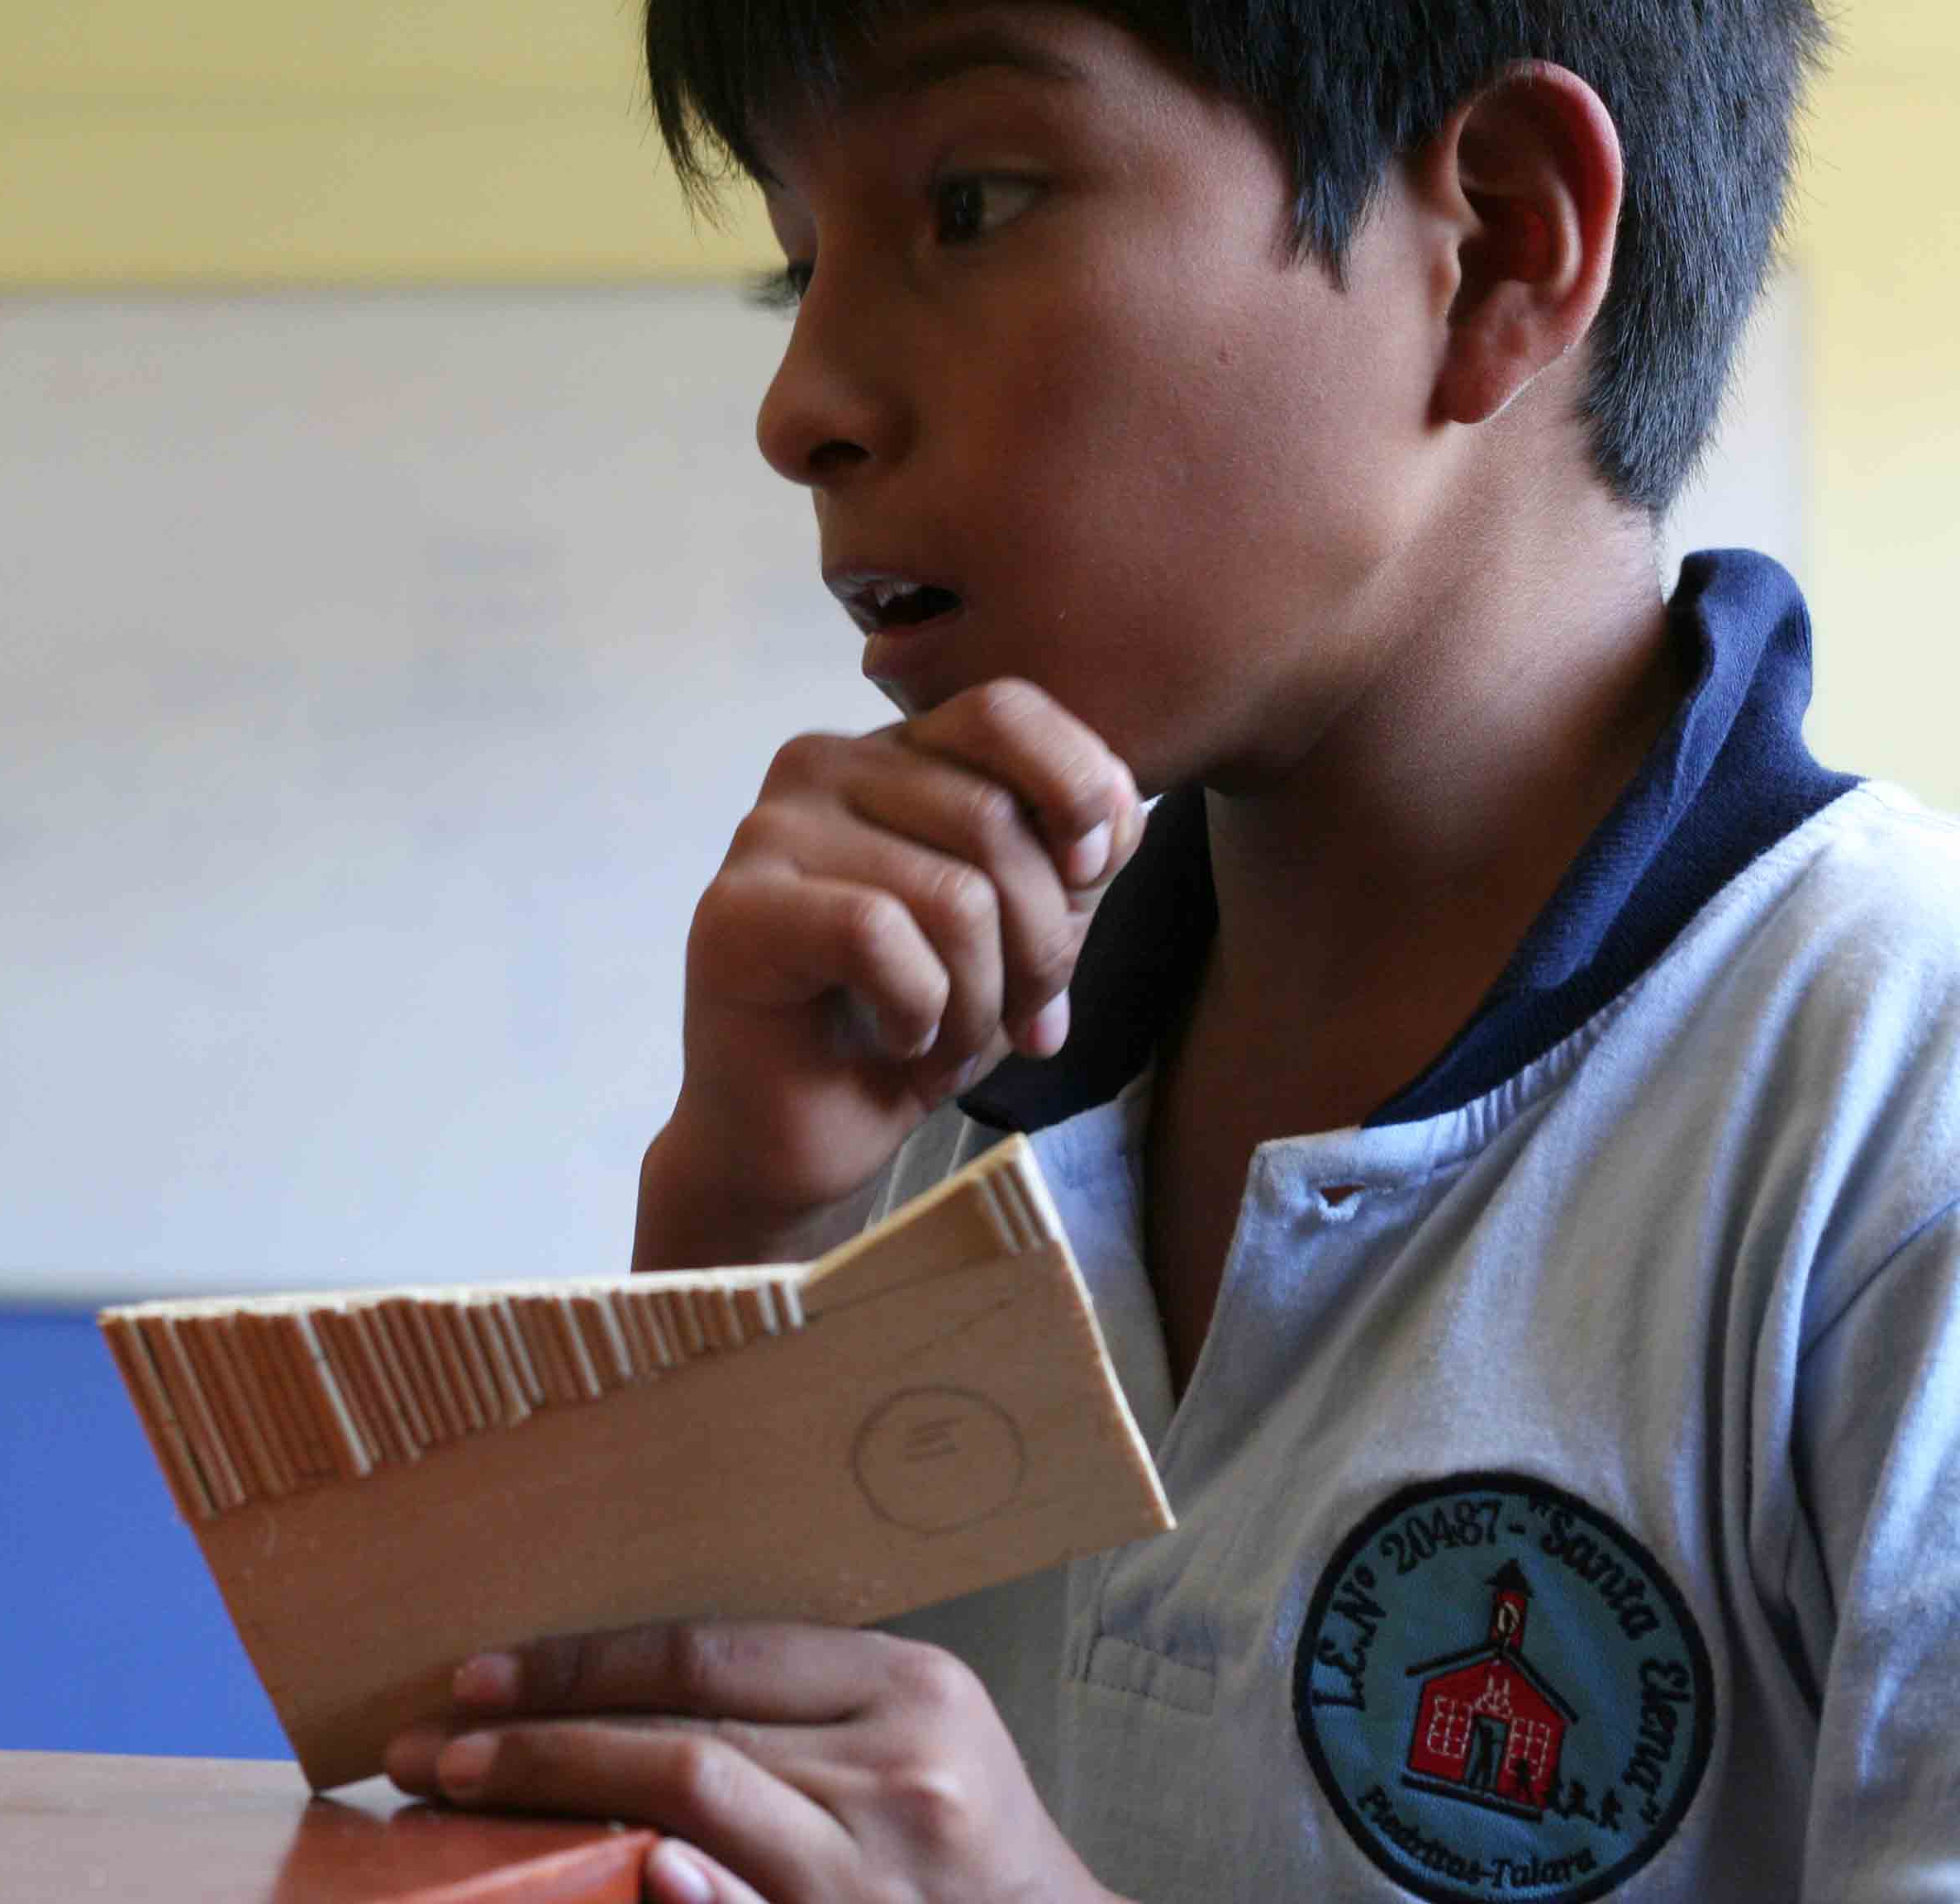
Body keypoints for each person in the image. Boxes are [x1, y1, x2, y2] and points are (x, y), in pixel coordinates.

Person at [383, 2, 1960, 1898]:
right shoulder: (921, 1075)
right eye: (797, 266)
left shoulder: (1895, 1102)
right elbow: (578, 1824)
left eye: (970, 205)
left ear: (1492, 246)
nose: (799, 406)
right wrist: (735, 1220)